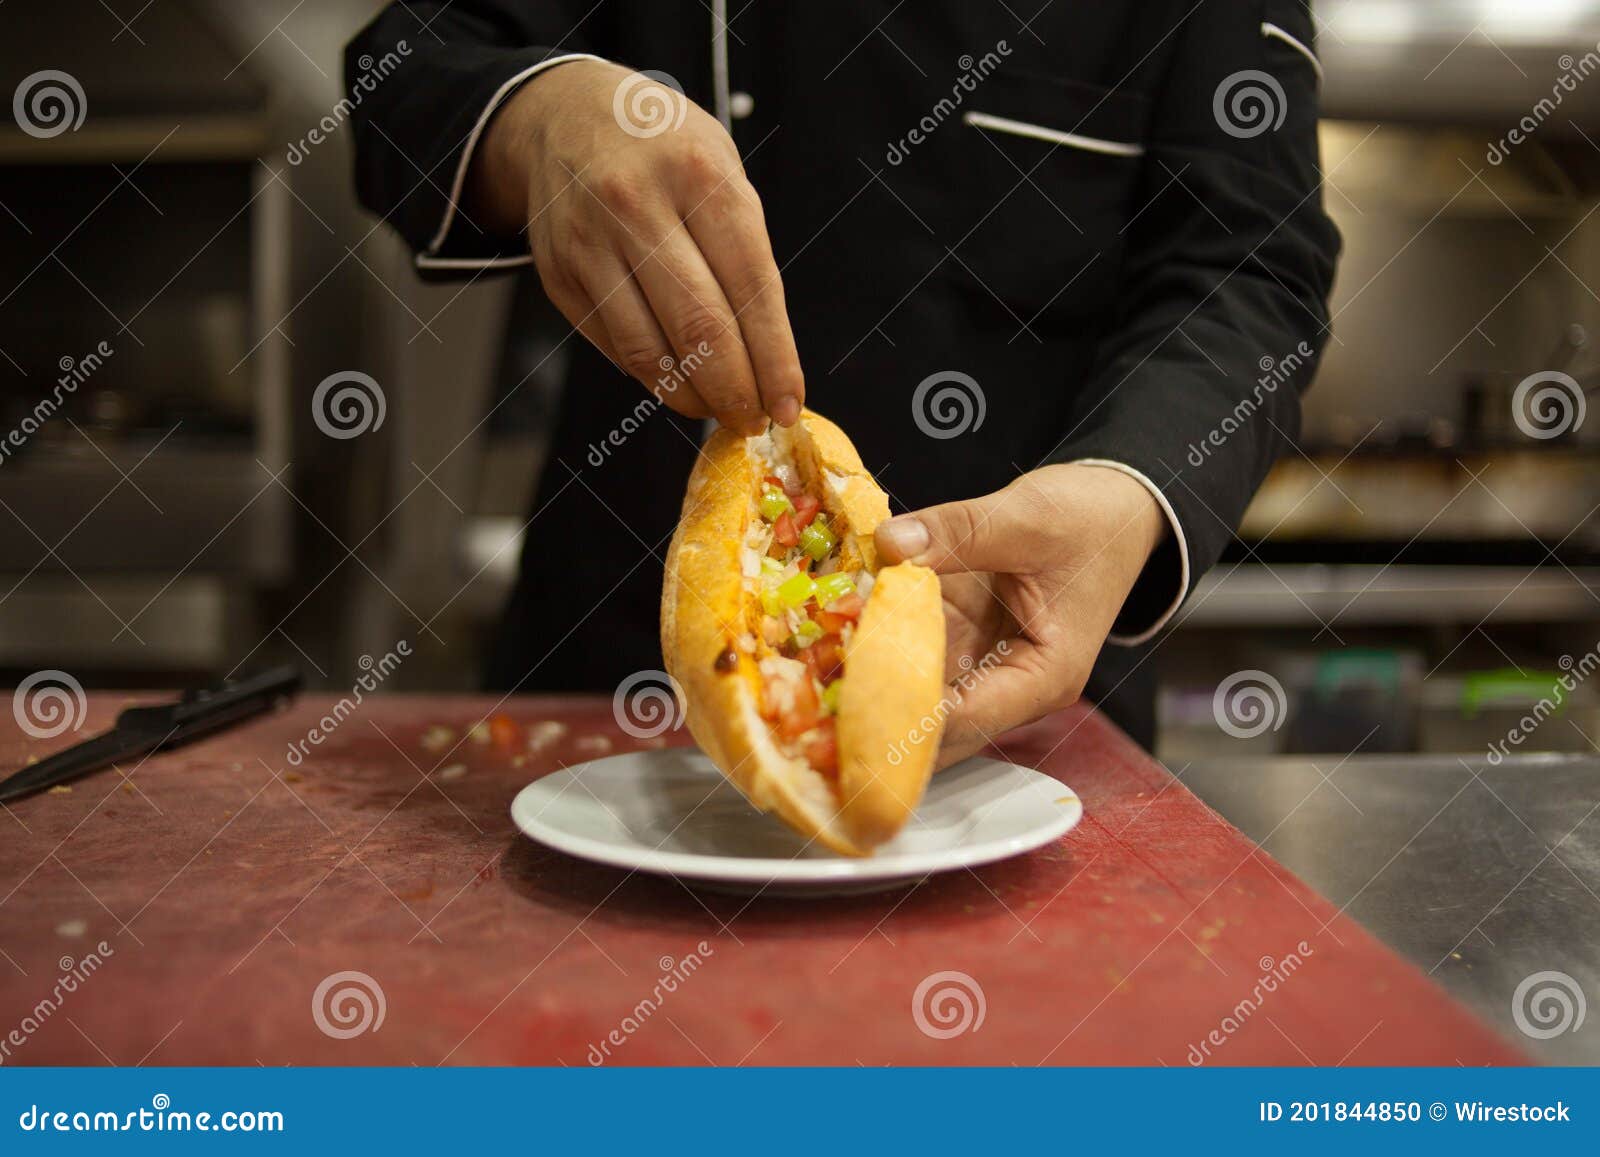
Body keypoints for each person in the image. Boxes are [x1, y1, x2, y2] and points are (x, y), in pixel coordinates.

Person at [346, 2, 1339, 758]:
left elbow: (1251, 270)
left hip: (1017, 703)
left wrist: (1129, 487)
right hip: (597, 695)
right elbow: (398, 75)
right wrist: (536, 116)